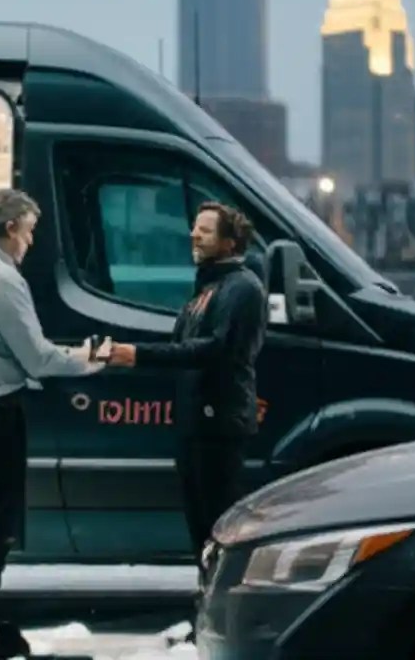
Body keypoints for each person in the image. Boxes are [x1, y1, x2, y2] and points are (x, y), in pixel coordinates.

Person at [0, 188, 104, 659]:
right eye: (29, 231)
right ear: (10, 228)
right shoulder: (1, 278)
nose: (30, 241)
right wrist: (92, 359)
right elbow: (38, 358)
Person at [106, 201, 266, 639]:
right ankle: (208, 620)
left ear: (229, 242)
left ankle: (224, 625)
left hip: (218, 426)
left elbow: (214, 350)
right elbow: (183, 345)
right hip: (195, 424)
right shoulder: (208, 287)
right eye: (195, 228)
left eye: (205, 231)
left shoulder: (241, 288)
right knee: (202, 531)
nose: (193, 235)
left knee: (219, 530)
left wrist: (137, 355)